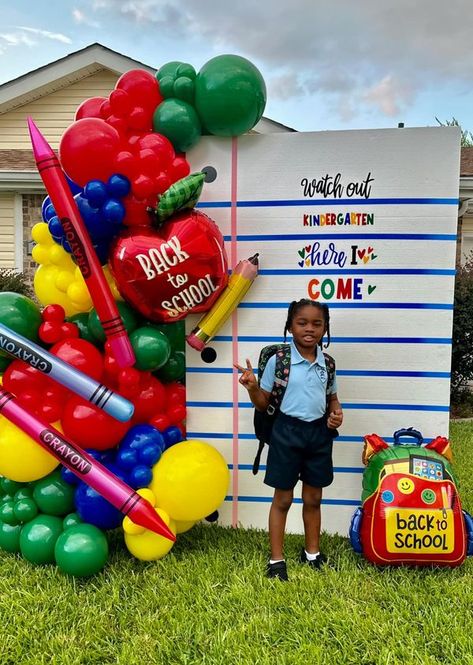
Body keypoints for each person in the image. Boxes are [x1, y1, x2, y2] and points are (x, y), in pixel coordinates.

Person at [235, 299, 343, 581]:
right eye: (302, 323)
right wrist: (253, 387)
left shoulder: (328, 364)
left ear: (325, 328)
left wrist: (336, 413)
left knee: (314, 497)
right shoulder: (278, 362)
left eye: (317, 323)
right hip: (286, 434)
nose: (310, 329)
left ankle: (312, 554)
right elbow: (263, 404)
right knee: (282, 498)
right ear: (290, 326)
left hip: (318, 435)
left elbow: (331, 398)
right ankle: (276, 560)